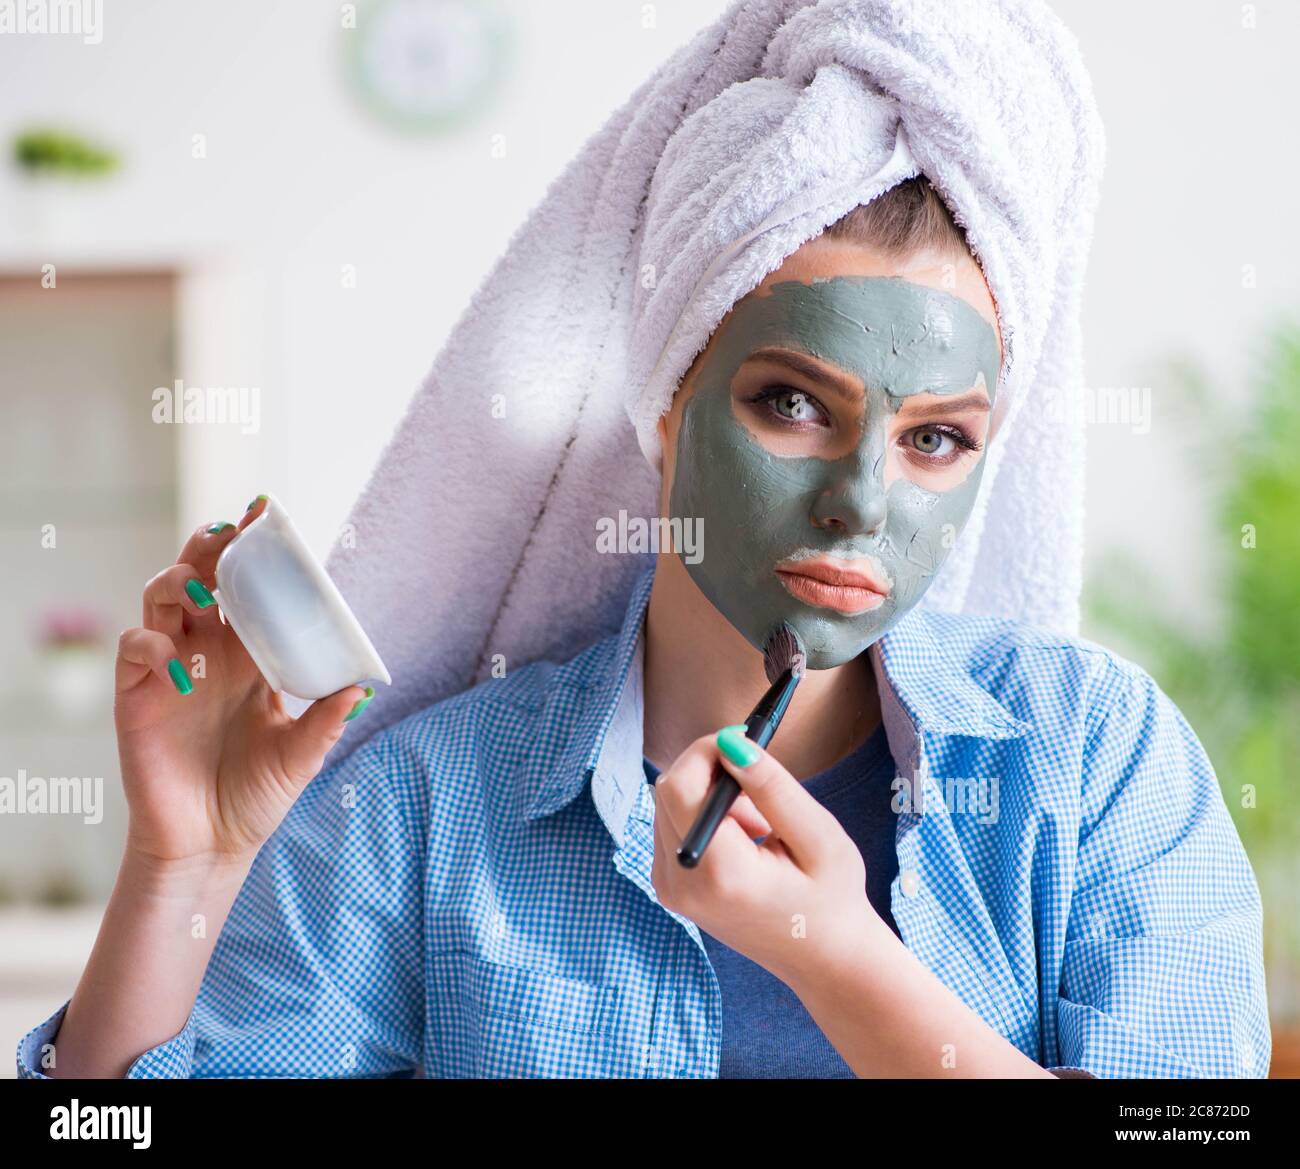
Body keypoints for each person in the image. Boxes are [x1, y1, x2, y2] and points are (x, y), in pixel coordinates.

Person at [15, 171, 1270, 1079]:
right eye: (791, 403)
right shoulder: (427, 807)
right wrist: (184, 862)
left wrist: (840, 961)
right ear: (663, 408)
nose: (860, 499)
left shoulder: (1095, 758)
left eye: (935, 437)